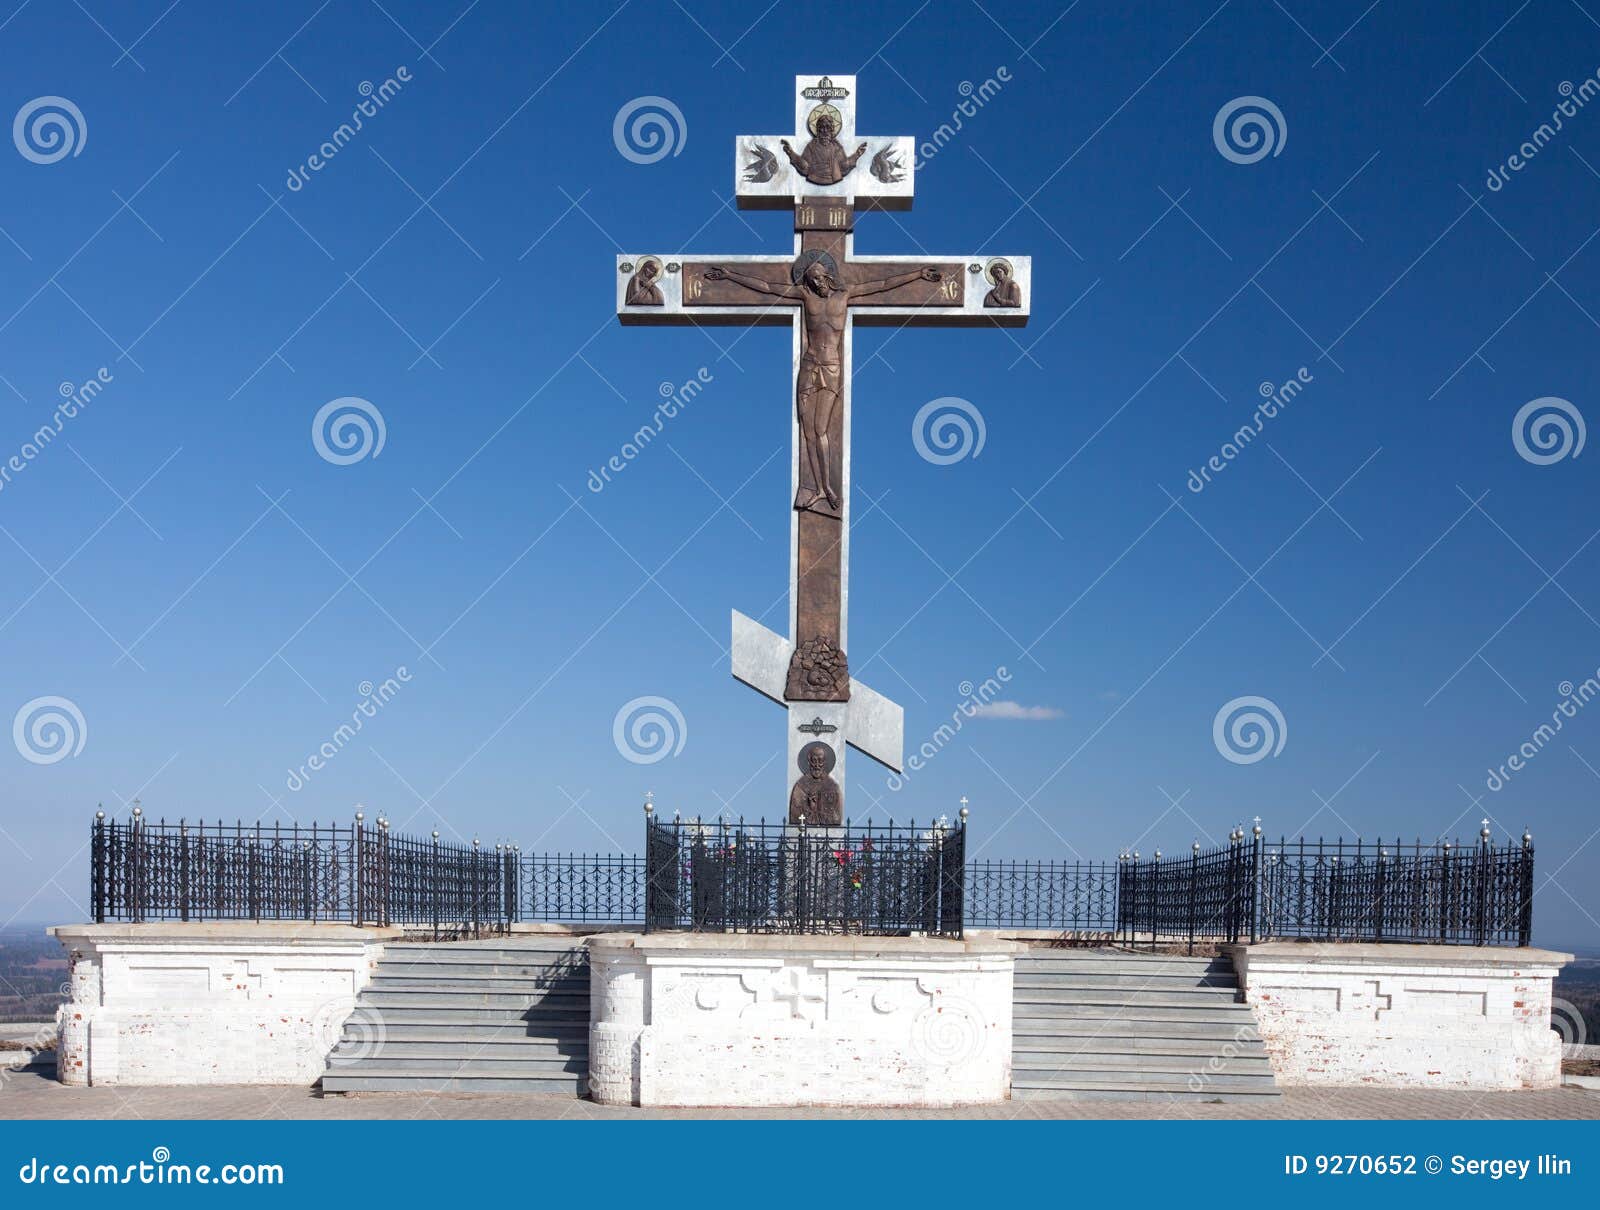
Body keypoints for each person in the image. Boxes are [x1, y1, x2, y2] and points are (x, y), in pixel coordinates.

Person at [704, 252, 940, 516]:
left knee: (820, 429)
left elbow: (883, 285)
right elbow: (769, 288)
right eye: (810, 279)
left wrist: (917, 275)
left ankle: (827, 486)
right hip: (809, 365)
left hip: (831, 367)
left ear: (827, 275)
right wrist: (730, 275)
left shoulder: (845, 294)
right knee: (807, 432)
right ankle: (816, 488)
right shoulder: (806, 297)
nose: (815, 282)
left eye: (817, 276)